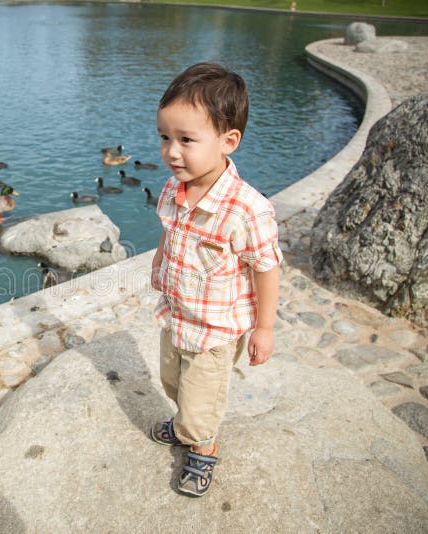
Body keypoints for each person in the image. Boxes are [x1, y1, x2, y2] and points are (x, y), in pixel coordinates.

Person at [149, 62, 282, 497]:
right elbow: (172, 233)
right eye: (165, 137)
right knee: (172, 379)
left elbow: (266, 266)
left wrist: (263, 327)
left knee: (202, 394)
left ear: (228, 142)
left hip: (216, 329)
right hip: (177, 314)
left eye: (186, 140)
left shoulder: (247, 209)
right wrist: (159, 261)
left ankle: (202, 444)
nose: (172, 152)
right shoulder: (175, 188)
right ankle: (185, 421)